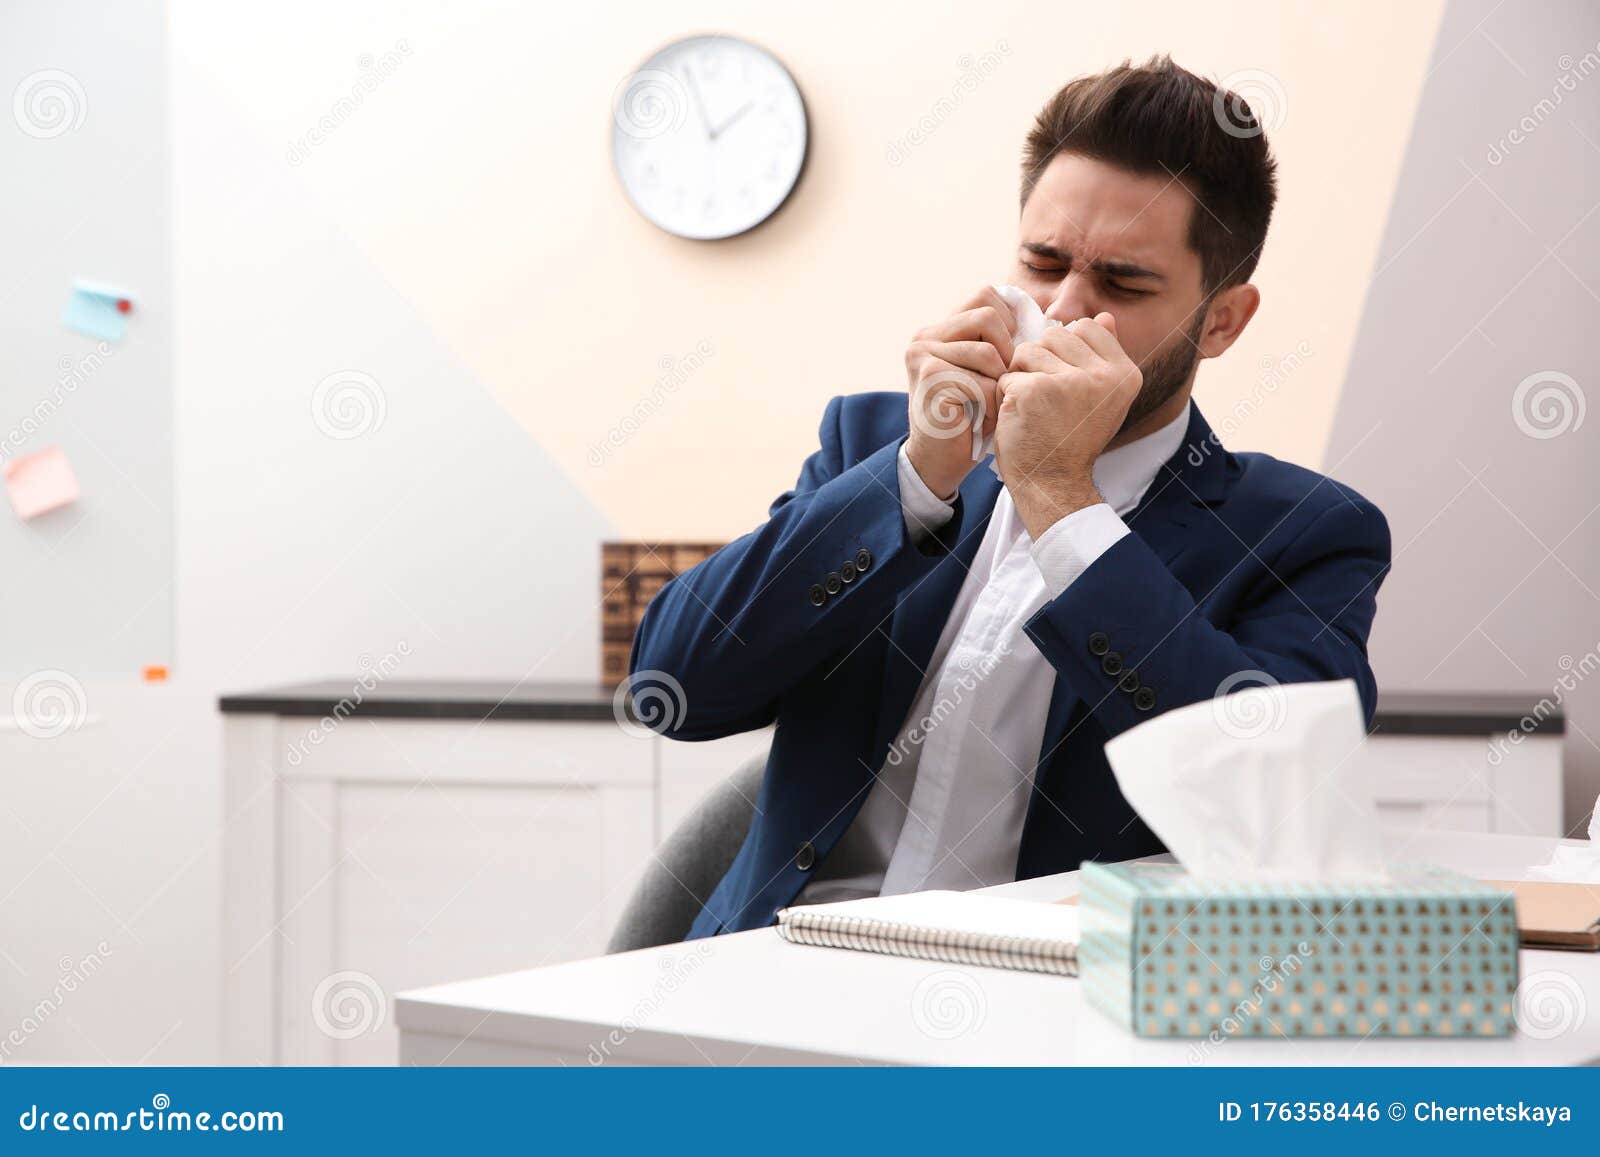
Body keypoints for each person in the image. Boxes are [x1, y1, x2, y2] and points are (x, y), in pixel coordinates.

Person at [630, 55, 1391, 939]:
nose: (1064, 310)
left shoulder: (1309, 532)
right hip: (774, 979)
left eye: (1123, 283)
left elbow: (1267, 812)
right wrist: (919, 474)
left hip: (1049, 1016)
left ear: (1221, 320)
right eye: (1043, 262)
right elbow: (670, 685)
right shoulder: (871, 445)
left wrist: (1061, 495)